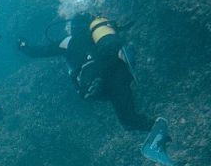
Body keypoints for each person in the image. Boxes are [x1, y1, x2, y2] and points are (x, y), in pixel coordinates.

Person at [18, 12, 153, 133]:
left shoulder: (67, 41)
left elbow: (36, 52)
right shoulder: (101, 35)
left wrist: (22, 45)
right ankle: (154, 128)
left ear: (72, 27)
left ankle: (93, 85)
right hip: (118, 73)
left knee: (87, 90)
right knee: (128, 120)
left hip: (92, 74)